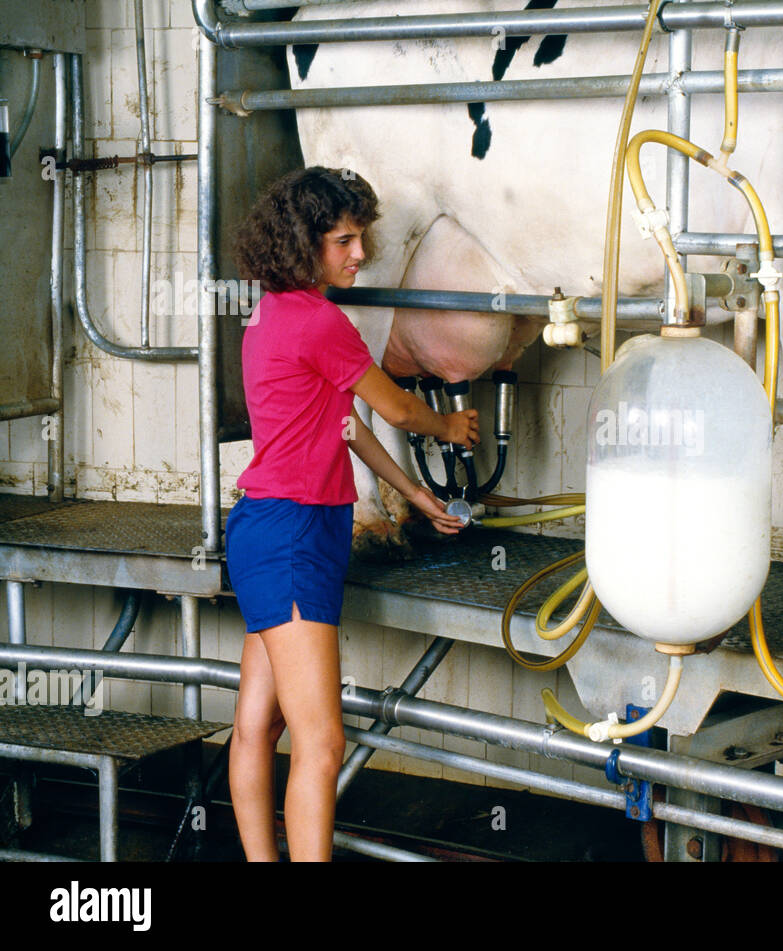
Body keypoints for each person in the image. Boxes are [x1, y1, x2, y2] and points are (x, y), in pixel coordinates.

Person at [225, 166, 477, 861]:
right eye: (343, 241)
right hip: (296, 535)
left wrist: (414, 493)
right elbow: (393, 407)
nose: (359, 253)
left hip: (267, 527)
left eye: (359, 238)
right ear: (302, 243)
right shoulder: (319, 320)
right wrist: (448, 428)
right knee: (322, 740)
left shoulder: (270, 312)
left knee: (257, 726)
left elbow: (347, 425)